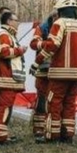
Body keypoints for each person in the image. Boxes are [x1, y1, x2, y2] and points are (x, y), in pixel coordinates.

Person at [38, 0, 77, 143]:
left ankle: (52, 135)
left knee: (53, 103)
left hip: (58, 73)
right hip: (76, 74)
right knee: (69, 104)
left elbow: (52, 45)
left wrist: (37, 61)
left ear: (60, 9)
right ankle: (68, 135)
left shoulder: (59, 23)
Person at [0, 11, 27, 145]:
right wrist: (20, 50)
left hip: (7, 78)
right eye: (16, 20)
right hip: (5, 77)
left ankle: (2, 136)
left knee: (6, 107)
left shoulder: (8, 34)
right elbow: (3, 52)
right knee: (4, 107)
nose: (18, 23)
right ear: (9, 21)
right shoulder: (4, 34)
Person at [28, 7, 55, 141]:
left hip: (56, 70)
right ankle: (38, 128)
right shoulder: (42, 28)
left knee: (54, 100)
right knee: (41, 99)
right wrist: (48, 44)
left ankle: (50, 127)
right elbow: (33, 44)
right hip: (43, 69)